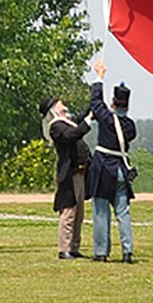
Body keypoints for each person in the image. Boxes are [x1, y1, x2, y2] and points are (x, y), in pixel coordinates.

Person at [86, 59, 137, 263]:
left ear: (113, 102)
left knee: (101, 211)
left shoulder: (107, 119)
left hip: (104, 169)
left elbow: (96, 102)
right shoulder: (130, 126)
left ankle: (101, 252)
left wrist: (99, 76)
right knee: (123, 213)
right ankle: (127, 251)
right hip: (121, 170)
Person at [40, 96, 93, 260]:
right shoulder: (56, 127)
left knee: (79, 213)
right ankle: (64, 248)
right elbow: (71, 135)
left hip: (80, 172)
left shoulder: (68, 121)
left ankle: (74, 247)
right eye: (59, 104)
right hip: (69, 174)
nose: (63, 105)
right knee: (68, 212)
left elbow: (82, 117)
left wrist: (95, 100)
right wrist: (88, 121)